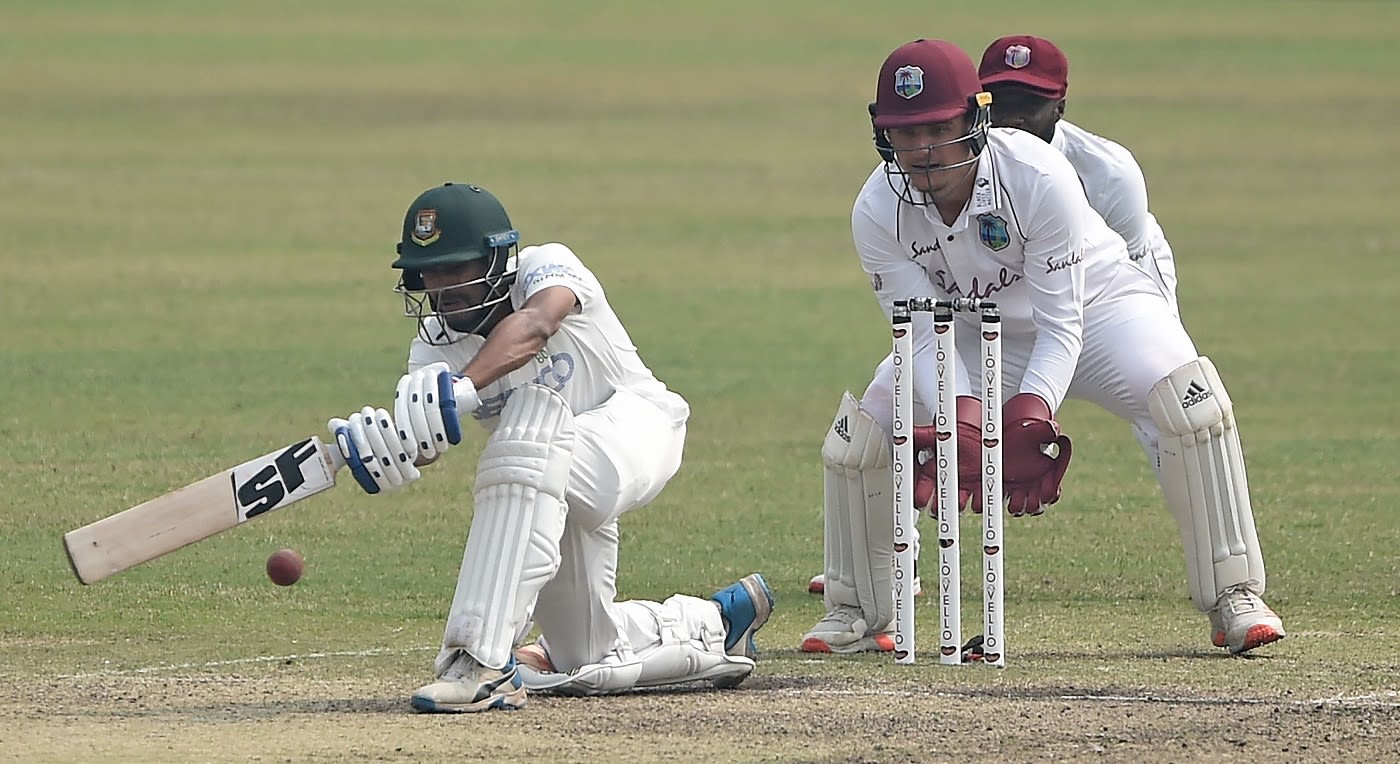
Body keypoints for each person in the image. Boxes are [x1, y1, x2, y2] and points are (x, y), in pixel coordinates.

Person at [802, 38, 1284, 657]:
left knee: (1188, 402)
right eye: (906, 132)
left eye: (938, 128)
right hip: (972, 332)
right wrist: (964, 420)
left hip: (1101, 308)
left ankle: (1233, 594)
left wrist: (1030, 412)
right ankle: (861, 610)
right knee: (863, 434)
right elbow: (921, 332)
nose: (922, 150)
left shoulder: (1037, 174)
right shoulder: (876, 210)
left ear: (974, 119)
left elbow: (1062, 323)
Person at [330, 181, 773, 712]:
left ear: (496, 258)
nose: (442, 287)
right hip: (547, 490)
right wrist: (390, 446)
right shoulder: (433, 344)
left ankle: (481, 661)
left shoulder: (547, 266)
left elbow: (539, 323)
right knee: (584, 656)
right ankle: (717, 622)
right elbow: (429, 435)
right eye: (430, 272)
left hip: (634, 428)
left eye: (457, 268)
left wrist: (465, 386)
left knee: (529, 426)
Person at [977, 35, 1178, 317]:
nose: (1013, 117)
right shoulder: (958, 163)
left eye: (1028, 104)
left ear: (1060, 108)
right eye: (1000, 103)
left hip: (1109, 286)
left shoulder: (1109, 174)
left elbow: (1135, 284)